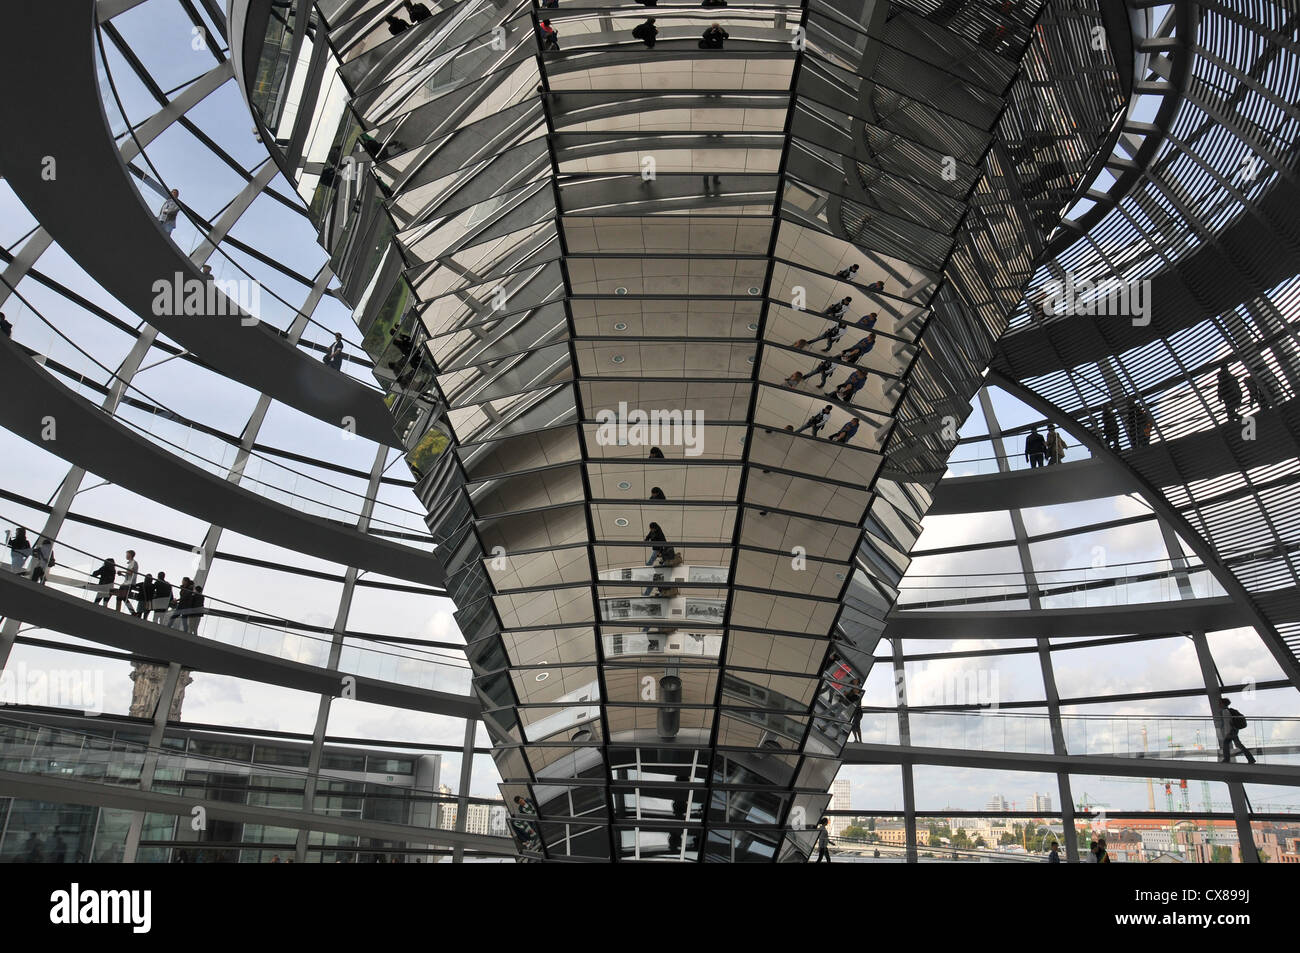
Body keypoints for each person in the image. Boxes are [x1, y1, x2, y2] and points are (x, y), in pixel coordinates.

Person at [1219, 696, 1255, 764]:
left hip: (1231, 730)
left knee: (1226, 743)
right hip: (1235, 729)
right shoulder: (1230, 710)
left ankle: (1226, 760)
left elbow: (1227, 723)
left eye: (1220, 703)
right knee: (1238, 745)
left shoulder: (1225, 711)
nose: (1219, 704)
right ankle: (1251, 759)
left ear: (1223, 704)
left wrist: (1227, 733)